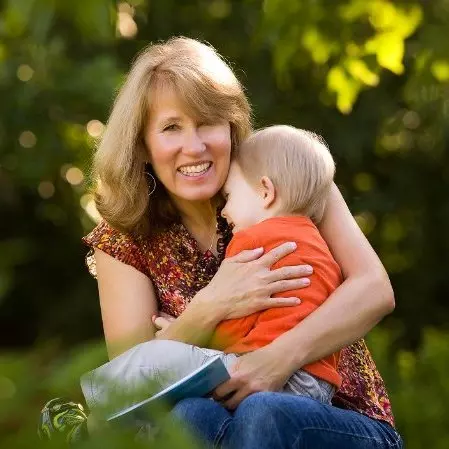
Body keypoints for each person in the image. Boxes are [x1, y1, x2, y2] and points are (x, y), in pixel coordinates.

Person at [39, 36, 403, 449]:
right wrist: (214, 303)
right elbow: (131, 386)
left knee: (264, 412)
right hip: (218, 430)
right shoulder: (126, 236)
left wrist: (277, 359)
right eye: (172, 127)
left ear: (230, 127)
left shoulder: (282, 169)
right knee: (189, 416)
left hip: (336, 418)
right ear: (142, 145)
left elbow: (374, 289)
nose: (194, 147)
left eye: (208, 122)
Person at [81, 125, 342, 415]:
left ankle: (92, 416)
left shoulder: (253, 241)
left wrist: (186, 336)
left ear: (266, 191)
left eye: (229, 197)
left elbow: (237, 324)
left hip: (269, 375)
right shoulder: (319, 243)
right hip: (319, 385)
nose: (225, 211)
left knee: (158, 359)